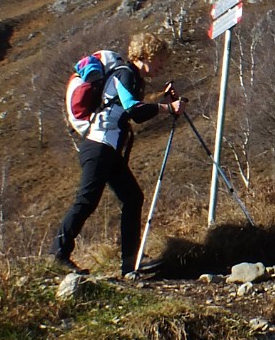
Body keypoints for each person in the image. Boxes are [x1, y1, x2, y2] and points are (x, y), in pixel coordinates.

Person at [52, 32, 184, 276]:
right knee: (86, 201)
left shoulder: (130, 77)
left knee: (133, 198)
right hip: (99, 147)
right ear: (146, 55)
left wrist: (162, 102)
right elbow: (135, 110)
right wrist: (168, 108)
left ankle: (129, 264)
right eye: (160, 60)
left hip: (108, 151)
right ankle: (57, 255)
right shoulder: (125, 73)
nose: (162, 66)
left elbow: (126, 105)